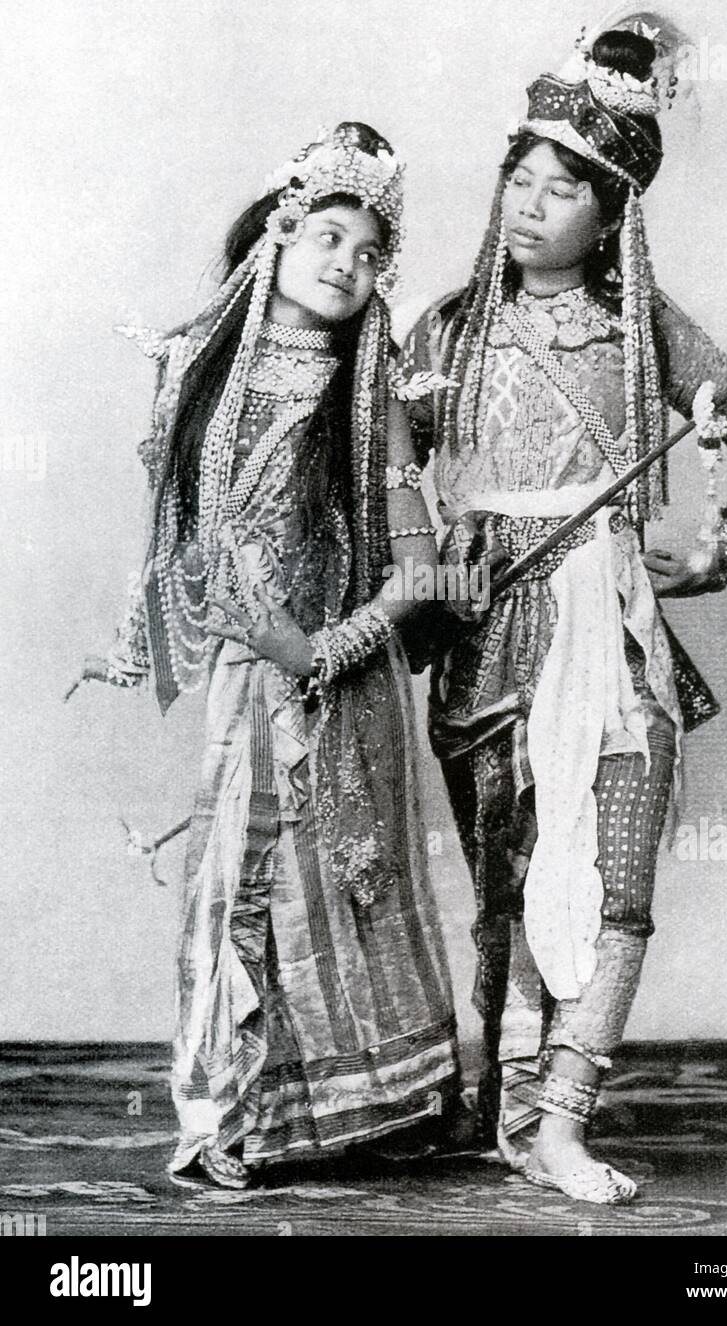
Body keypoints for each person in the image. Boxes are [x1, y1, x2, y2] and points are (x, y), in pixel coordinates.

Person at [401, 23, 727, 1203]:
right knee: (509, 893)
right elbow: (378, 478)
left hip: (614, 636)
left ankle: (565, 1121)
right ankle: (507, 1109)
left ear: (610, 206)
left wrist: (711, 552)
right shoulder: (444, 330)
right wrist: (427, 564)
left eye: (560, 186)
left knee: (619, 882)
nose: (528, 205)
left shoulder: (649, 334)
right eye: (516, 179)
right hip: (484, 644)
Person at [77, 123, 460, 1188]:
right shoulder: (203, 380)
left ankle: (373, 1106)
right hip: (253, 682)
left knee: (355, 879)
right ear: (275, 236)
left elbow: (419, 566)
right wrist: (269, 642)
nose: (347, 263)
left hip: (350, 675)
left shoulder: (371, 393)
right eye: (327, 234)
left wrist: (331, 645)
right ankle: (241, 1117)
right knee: (247, 882)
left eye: (371, 251)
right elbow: (194, 549)